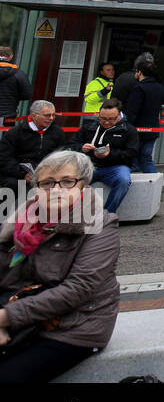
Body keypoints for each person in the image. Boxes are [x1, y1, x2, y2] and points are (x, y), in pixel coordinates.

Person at [0, 150, 119, 383]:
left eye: (67, 182)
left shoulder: (101, 224)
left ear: (83, 186)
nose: (56, 190)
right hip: (18, 310)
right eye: (47, 183)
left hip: (73, 326)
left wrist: (6, 318)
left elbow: (79, 288)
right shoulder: (21, 221)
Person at [71, 99, 138, 214]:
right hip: (89, 166)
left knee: (123, 180)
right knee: (70, 181)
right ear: (99, 114)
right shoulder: (89, 126)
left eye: (110, 119)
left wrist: (109, 154)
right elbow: (71, 145)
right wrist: (81, 148)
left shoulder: (129, 130)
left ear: (119, 116)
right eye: (102, 118)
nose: (106, 122)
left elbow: (131, 155)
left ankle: (106, 215)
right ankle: (65, 214)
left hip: (115, 167)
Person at [0, 102, 67, 192]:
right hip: (18, 174)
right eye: (47, 115)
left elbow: (62, 155)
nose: (51, 118)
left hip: (48, 173)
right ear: (33, 116)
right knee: (12, 185)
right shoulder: (15, 133)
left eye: (53, 115)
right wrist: (23, 174)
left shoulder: (58, 132)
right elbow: (4, 158)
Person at [0, 46, 33, 124]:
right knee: (7, 135)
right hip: (8, 114)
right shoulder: (19, 73)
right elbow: (27, 94)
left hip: (8, 113)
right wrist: (13, 97)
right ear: (11, 57)